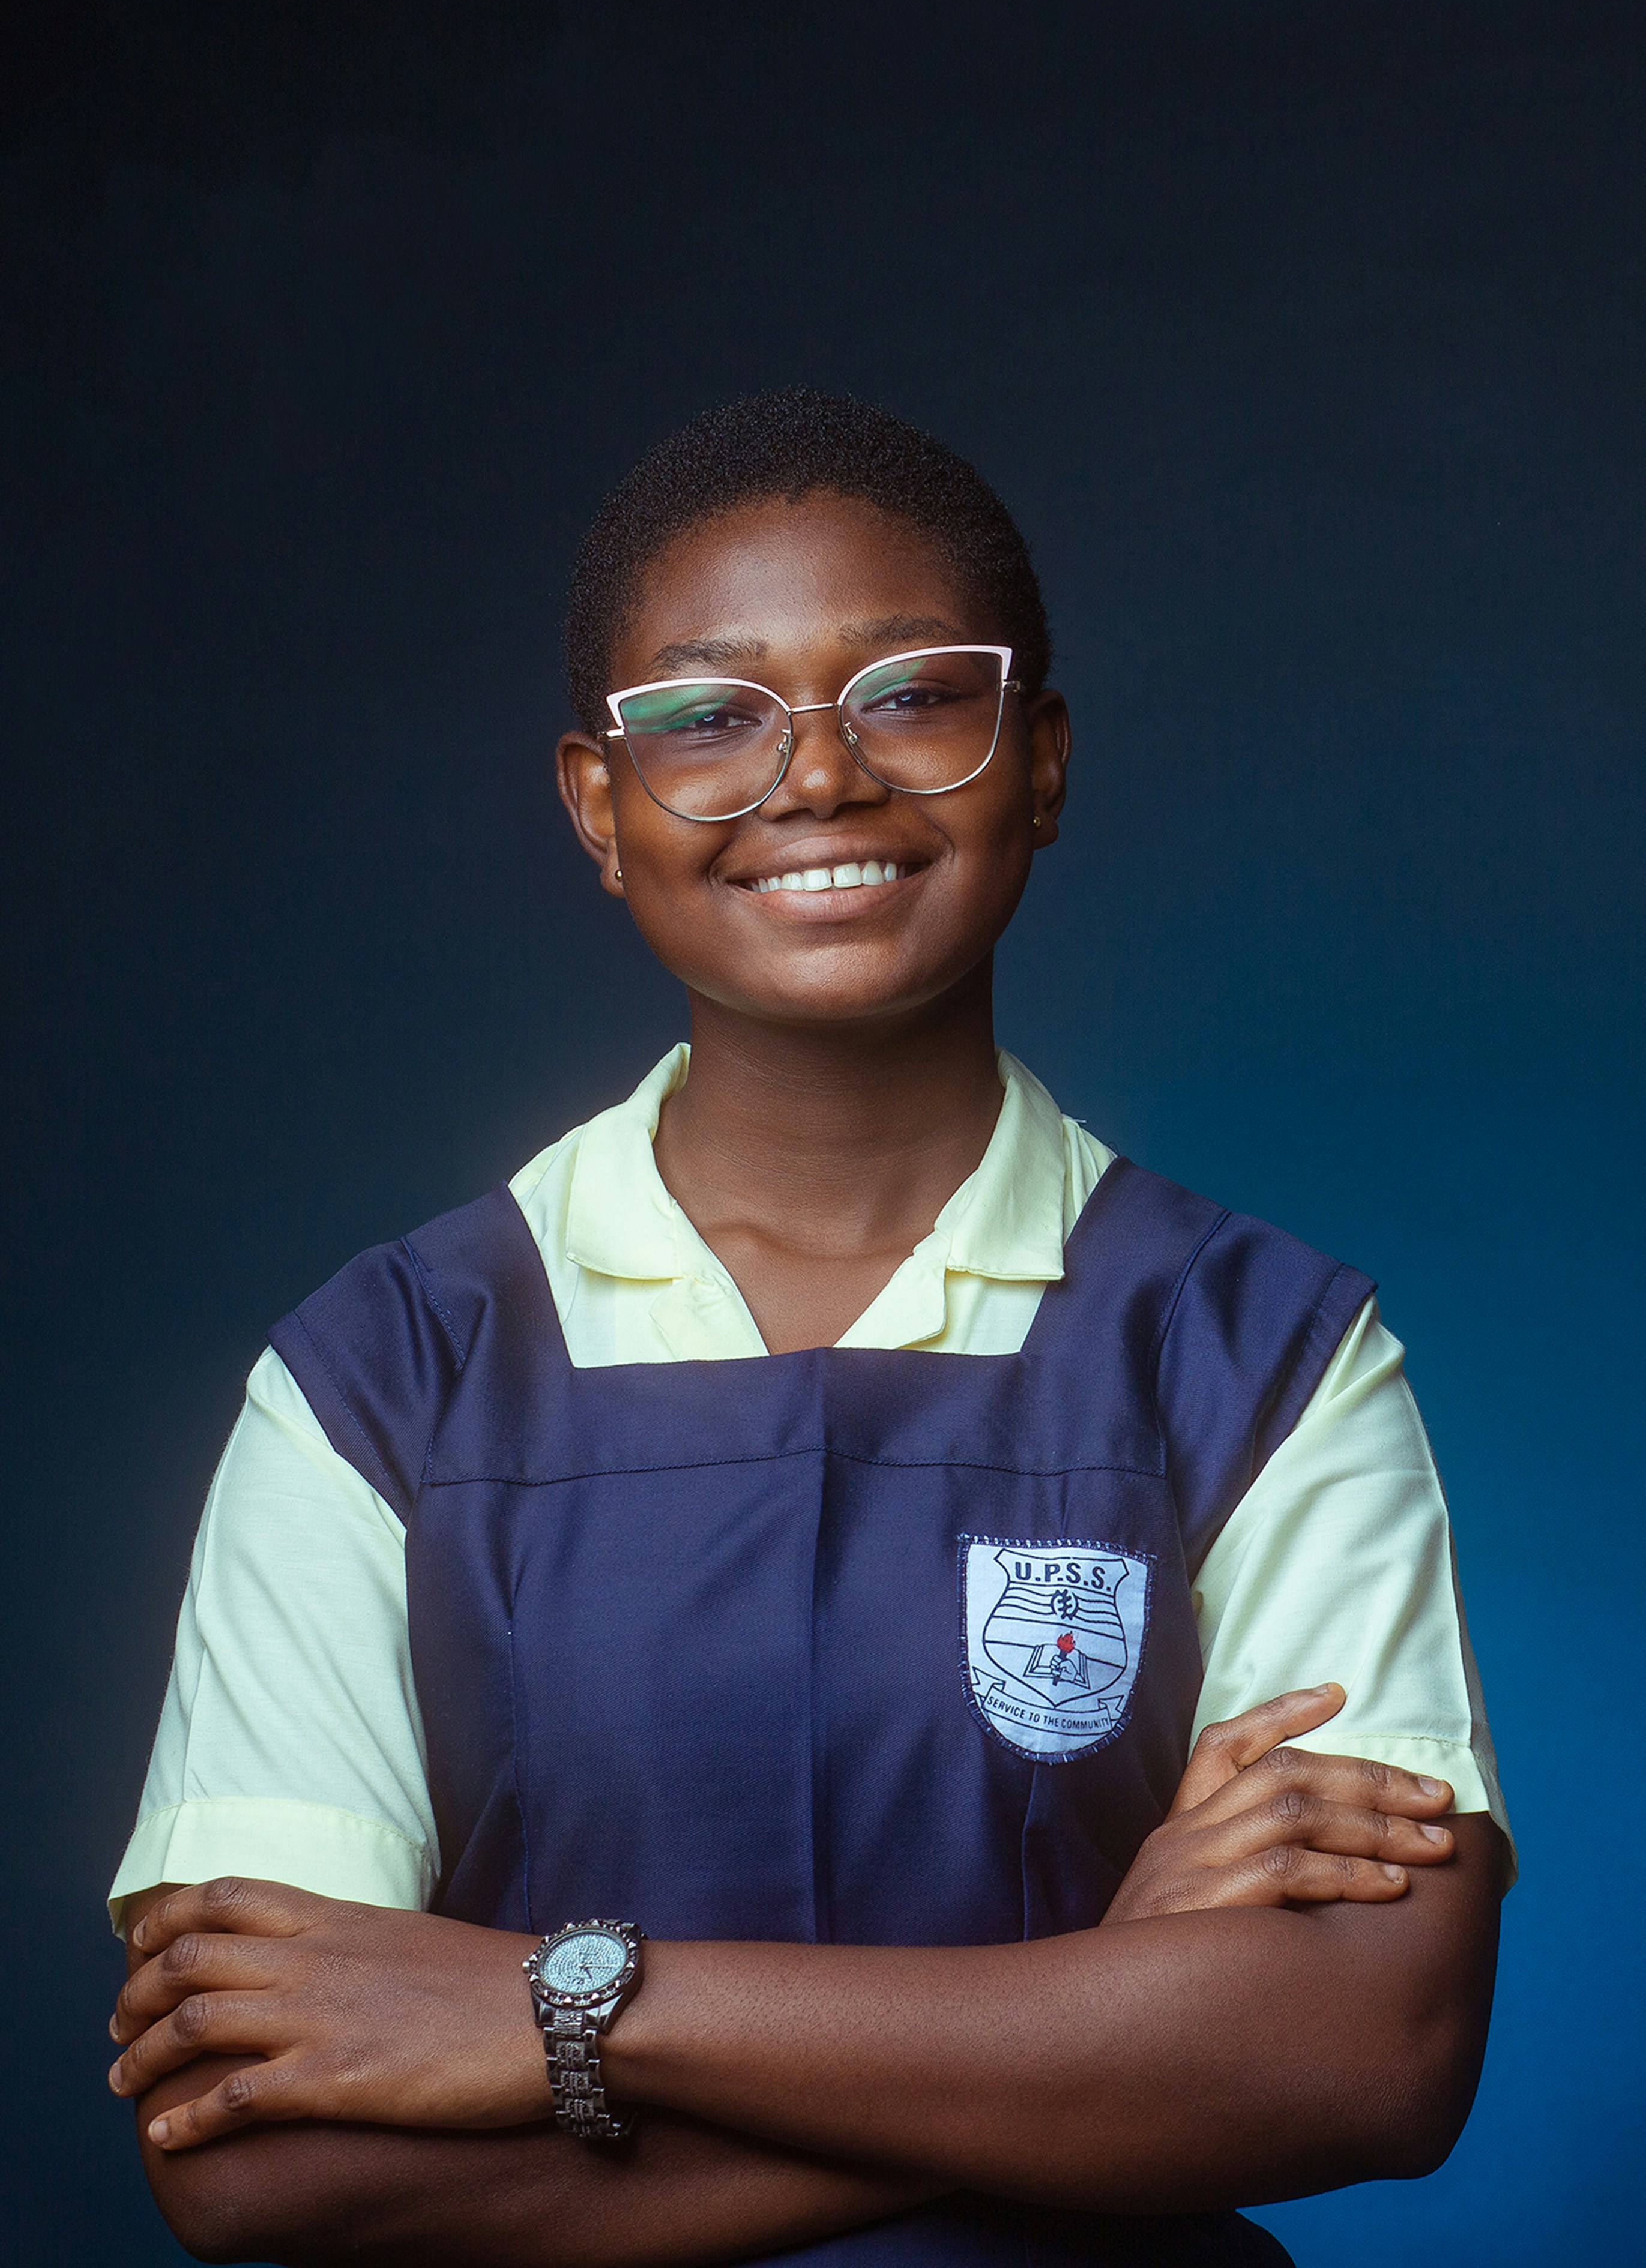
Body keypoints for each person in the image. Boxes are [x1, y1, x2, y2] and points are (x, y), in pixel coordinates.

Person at [107, 390, 1510, 2268]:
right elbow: (250, 2157)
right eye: (706, 716)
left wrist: (560, 2008)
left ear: (1042, 761)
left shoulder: (1266, 1358)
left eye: (915, 693)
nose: (821, 779)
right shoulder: (374, 1389)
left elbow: (1369, 2055)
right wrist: (1104, 2016)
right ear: (600, 811)